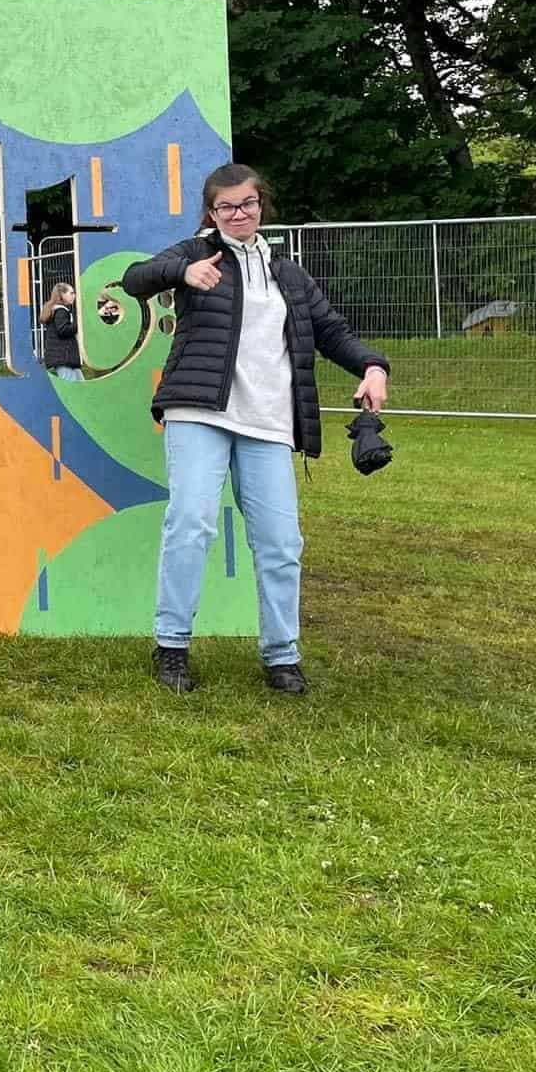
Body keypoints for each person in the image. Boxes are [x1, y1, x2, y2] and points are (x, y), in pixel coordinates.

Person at [121, 163, 389, 698]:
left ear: (260, 205)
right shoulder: (197, 255)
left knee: (281, 542)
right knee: (191, 524)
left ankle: (282, 656)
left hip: (268, 421)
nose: (238, 214)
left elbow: (330, 331)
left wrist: (372, 366)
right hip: (199, 411)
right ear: (211, 213)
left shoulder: (287, 274)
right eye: (226, 207)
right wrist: (180, 275)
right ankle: (171, 648)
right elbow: (135, 278)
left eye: (247, 204)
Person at [39, 281, 81, 381]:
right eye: (71, 293)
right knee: (73, 387)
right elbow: (63, 330)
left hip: (64, 357)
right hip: (63, 357)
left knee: (80, 384)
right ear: (62, 295)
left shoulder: (56, 310)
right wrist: (79, 324)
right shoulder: (61, 311)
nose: (74, 296)